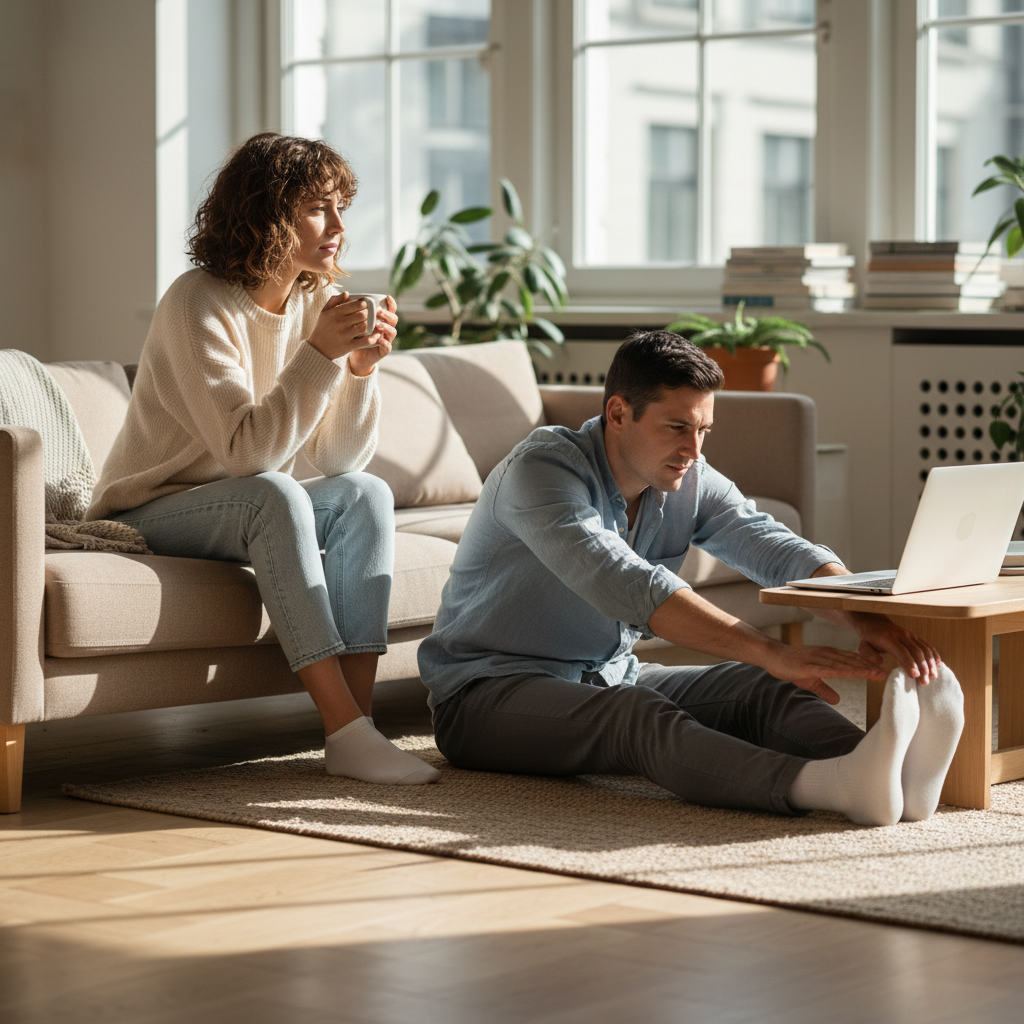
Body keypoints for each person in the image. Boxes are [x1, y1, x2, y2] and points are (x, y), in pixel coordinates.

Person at [418, 331, 965, 824]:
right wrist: (767, 647)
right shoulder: (542, 472)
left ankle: (886, 773)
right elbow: (625, 583)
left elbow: (774, 548)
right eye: (677, 427)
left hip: (609, 673)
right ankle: (830, 785)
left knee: (760, 687)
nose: (693, 450)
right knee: (638, 717)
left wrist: (863, 615)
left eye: (703, 429)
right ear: (618, 412)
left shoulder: (686, 476)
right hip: (484, 696)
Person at [88, 132, 439, 786]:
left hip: (235, 504)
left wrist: (358, 371)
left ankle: (354, 731)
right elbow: (247, 454)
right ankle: (344, 727)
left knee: (365, 493)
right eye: (317, 208)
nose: (338, 226)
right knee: (275, 493)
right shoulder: (198, 299)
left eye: (341, 209)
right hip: (152, 508)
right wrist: (320, 357)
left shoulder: (310, 299)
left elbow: (337, 457)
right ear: (267, 212)